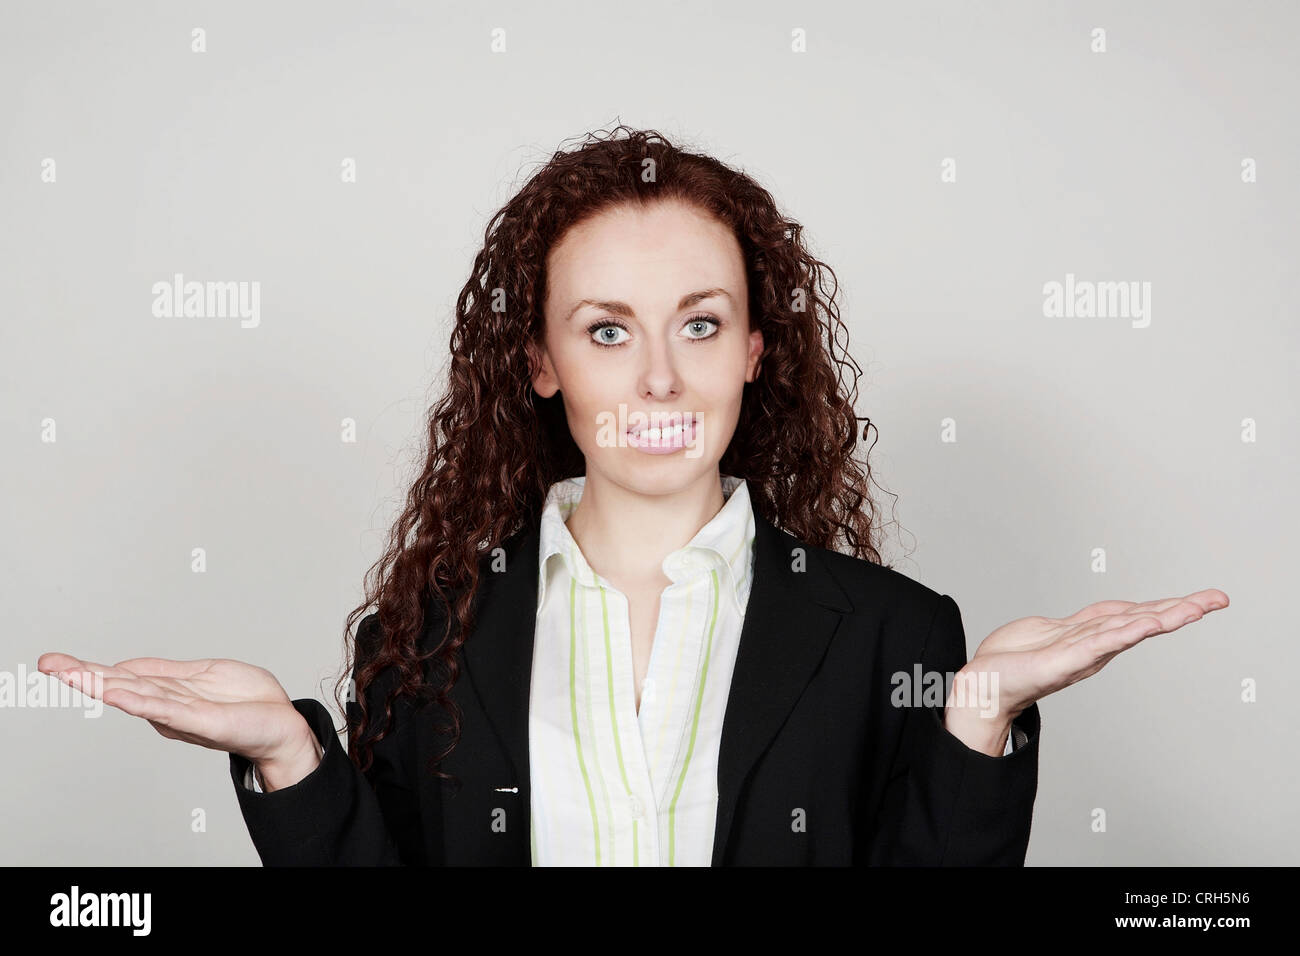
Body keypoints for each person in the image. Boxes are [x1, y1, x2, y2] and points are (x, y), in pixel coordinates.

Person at [38, 126, 1228, 866]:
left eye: (699, 324)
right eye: (608, 330)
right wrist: (292, 756)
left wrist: (976, 721)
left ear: (756, 349)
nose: (660, 374)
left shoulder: (895, 633)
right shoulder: (426, 631)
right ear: (543, 364)